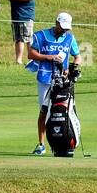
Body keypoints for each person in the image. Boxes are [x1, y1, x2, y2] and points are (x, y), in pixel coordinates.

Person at [27, 12, 81, 155]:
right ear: (56, 22)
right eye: (62, 27)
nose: (64, 30)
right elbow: (31, 54)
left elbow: (77, 57)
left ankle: (64, 140)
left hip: (62, 81)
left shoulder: (70, 38)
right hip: (45, 78)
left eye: (66, 28)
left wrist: (71, 69)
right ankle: (41, 144)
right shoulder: (41, 36)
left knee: (64, 110)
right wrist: (48, 57)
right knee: (44, 112)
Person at [5, 0, 37, 65]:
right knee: (18, 39)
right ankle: (18, 60)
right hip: (15, 14)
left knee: (27, 39)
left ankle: (32, 59)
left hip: (26, 15)